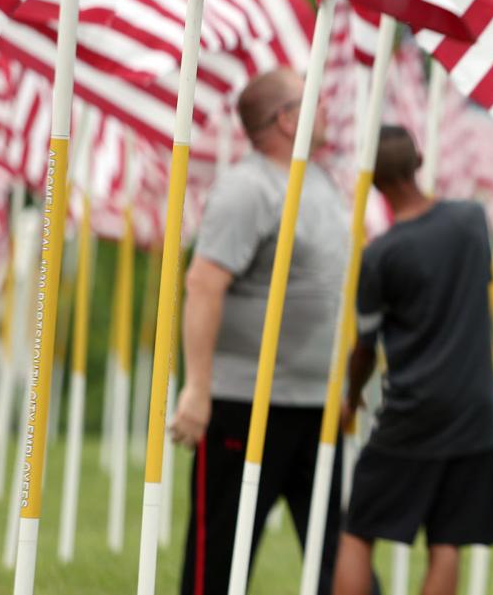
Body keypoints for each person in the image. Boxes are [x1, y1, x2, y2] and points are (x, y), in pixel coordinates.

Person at [170, 68, 349, 595]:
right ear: (286, 118)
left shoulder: (320, 181)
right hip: (246, 404)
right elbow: (203, 283)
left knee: (338, 553)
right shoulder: (247, 188)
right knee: (219, 560)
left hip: (317, 406)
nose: (326, 107)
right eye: (312, 99)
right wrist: (198, 389)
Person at [334, 126, 493, 595]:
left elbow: (366, 346)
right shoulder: (472, 221)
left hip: (412, 411)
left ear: (371, 182)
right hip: (475, 408)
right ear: (420, 161)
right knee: (447, 539)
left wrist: (352, 396)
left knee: (358, 527)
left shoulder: (380, 255)